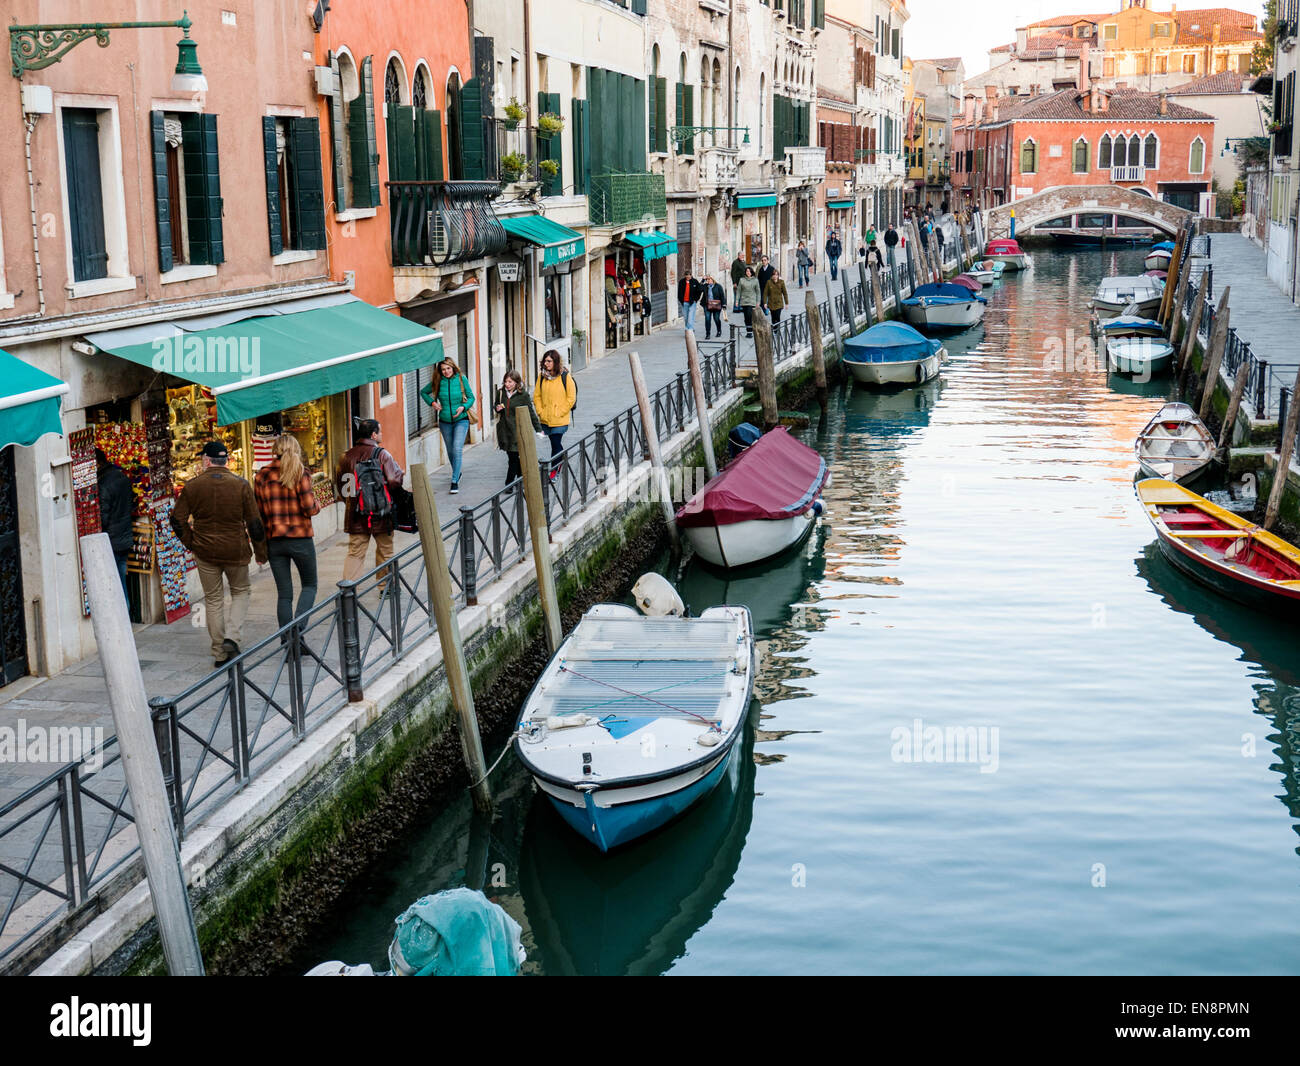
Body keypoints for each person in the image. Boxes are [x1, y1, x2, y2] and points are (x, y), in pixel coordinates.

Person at [170, 441, 266, 667]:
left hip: (205, 550)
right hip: (236, 549)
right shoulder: (241, 485)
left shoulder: (192, 486)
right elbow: (255, 523)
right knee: (241, 591)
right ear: (227, 461)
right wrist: (261, 552)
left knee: (213, 599)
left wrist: (191, 543)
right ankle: (232, 637)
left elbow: (177, 519)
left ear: (206, 460)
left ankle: (219, 652)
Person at [253, 434, 320, 638]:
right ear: (296, 449)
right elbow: (310, 508)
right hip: (301, 539)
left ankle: (286, 639)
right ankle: (297, 630)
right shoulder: (301, 473)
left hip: (275, 540)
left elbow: (258, 513)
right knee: (309, 585)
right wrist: (317, 504)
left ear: (275, 450)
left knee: (284, 594)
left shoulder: (261, 476)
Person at [335, 419, 404, 585]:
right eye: (380, 431)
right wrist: (400, 473)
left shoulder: (346, 457)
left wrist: (356, 503)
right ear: (373, 435)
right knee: (385, 550)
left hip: (357, 515)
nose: (381, 434)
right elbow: (394, 481)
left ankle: (349, 590)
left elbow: (344, 489)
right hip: (381, 513)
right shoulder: (382, 454)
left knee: (355, 553)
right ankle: (385, 587)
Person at [420, 358, 474, 494]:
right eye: (443, 369)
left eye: (448, 368)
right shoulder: (438, 382)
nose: (446, 372)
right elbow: (423, 392)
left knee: (457, 448)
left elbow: (471, 397)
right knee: (450, 451)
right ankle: (457, 472)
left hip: (461, 420)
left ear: (453, 367)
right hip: (444, 421)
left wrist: (463, 406)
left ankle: (454, 480)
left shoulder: (461, 379)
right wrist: (432, 403)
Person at [95, 448, 134, 596]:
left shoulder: (103, 485)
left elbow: (103, 518)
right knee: (120, 577)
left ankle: (122, 615)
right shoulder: (121, 477)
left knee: (114, 582)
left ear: (97, 464)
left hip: (112, 540)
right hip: (124, 537)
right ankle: (126, 612)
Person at [533, 349, 577, 476]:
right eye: (545, 361)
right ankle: (561, 460)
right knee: (554, 444)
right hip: (546, 418)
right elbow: (537, 396)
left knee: (555, 443)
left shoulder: (565, 376)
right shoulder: (542, 376)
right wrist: (540, 411)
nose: (546, 363)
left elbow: (571, 397)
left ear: (555, 362)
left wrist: (561, 411)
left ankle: (554, 470)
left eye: (549, 361)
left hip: (560, 419)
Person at [495, 370, 542, 485]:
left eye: (510, 382)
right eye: (506, 381)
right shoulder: (500, 393)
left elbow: (530, 412)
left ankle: (509, 483)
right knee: (513, 457)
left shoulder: (523, 395)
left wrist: (538, 429)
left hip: (517, 431)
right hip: (504, 431)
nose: (507, 384)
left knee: (513, 458)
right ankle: (522, 478)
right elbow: (495, 406)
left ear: (516, 382)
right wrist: (497, 408)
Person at [699, 274, 726, 339]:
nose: (708, 280)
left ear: (713, 279)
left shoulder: (718, 286)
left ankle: (719, 331)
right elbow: (699, 289)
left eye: (709, 279)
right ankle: (708, 334)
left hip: (716, 304)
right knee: (707, 319)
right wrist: (703, 280)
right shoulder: (705, 286)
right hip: (707, 305)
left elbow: (722, 296)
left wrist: (724, 304)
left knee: (716, 319)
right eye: (707, 279)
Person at [737, 265, 761, 337]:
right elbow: (738, 291)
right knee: (746, 317)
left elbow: (758, 292)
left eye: (749, 271)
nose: (748, 272)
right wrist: (736, 301)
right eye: (747, 271)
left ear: (751, 272)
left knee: (750, 315)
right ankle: (748, 331)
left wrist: (758, 301)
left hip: (752, 301)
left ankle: (751, 331)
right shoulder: (742, 280)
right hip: (744, 301)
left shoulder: (755, 280)